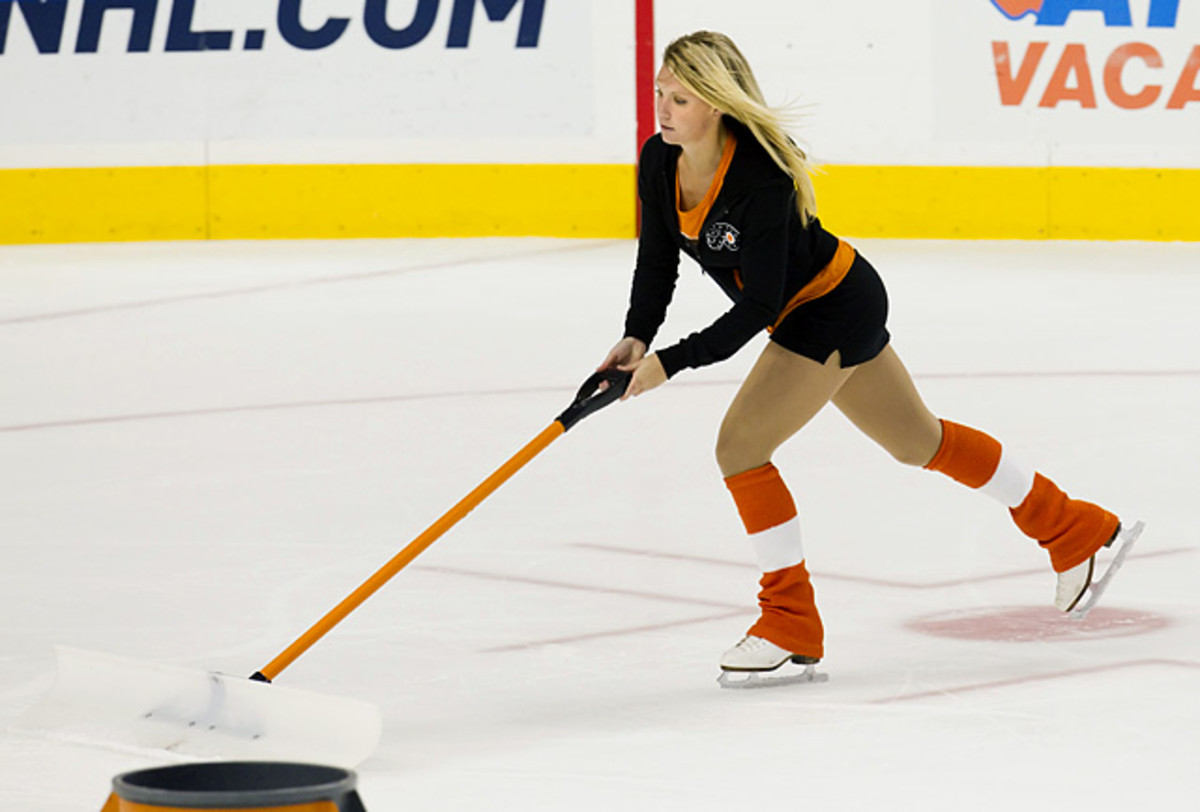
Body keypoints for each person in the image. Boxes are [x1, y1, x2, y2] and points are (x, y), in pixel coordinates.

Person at [597, 31, 1141, 684]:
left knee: (739, 445)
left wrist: (669, 364)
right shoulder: (659, 161)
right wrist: (637, 337)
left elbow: (754, 309)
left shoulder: (761, 177)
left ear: (715, 103)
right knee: (919, 442)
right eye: (660, 93)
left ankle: (789, 619)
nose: (662, 108)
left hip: (831, 305)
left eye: (680, 98)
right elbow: (656, 261)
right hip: (820, 307)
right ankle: (1074, 529)